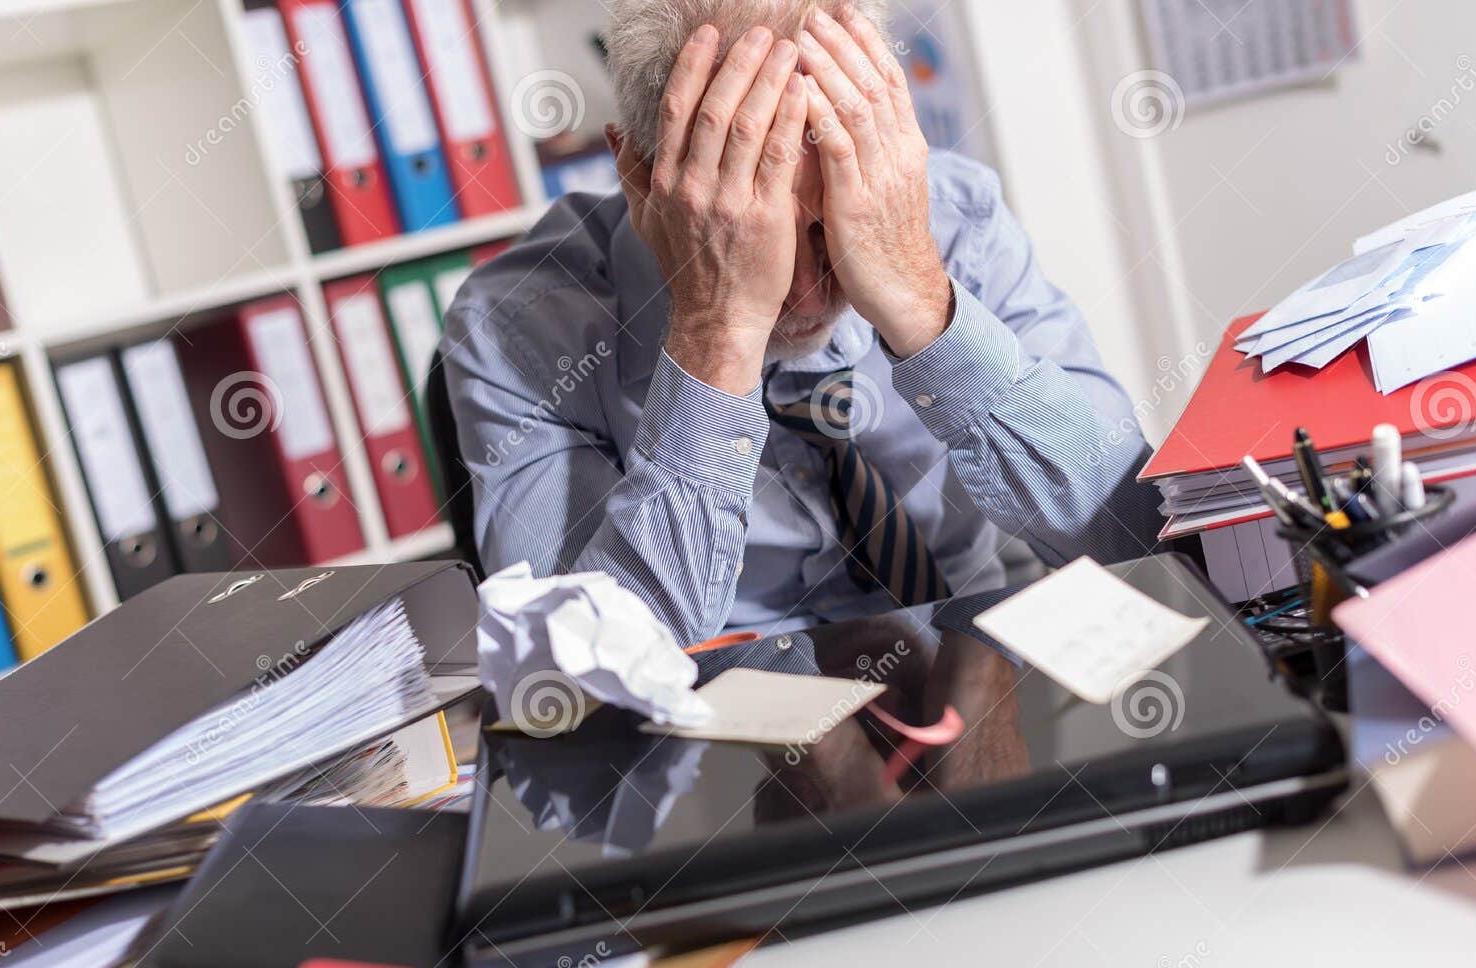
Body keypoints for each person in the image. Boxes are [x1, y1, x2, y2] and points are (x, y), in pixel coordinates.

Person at [443, 0, 1163, 647]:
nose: (807, 296)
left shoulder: (960, 223)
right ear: (638, 175)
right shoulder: (518, 327)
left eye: (829, 231)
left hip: (971, 662)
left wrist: (922, 301)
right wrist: (716, 331)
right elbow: (582, 663)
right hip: (720, 713)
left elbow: (1137, 536)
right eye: (754, 238)